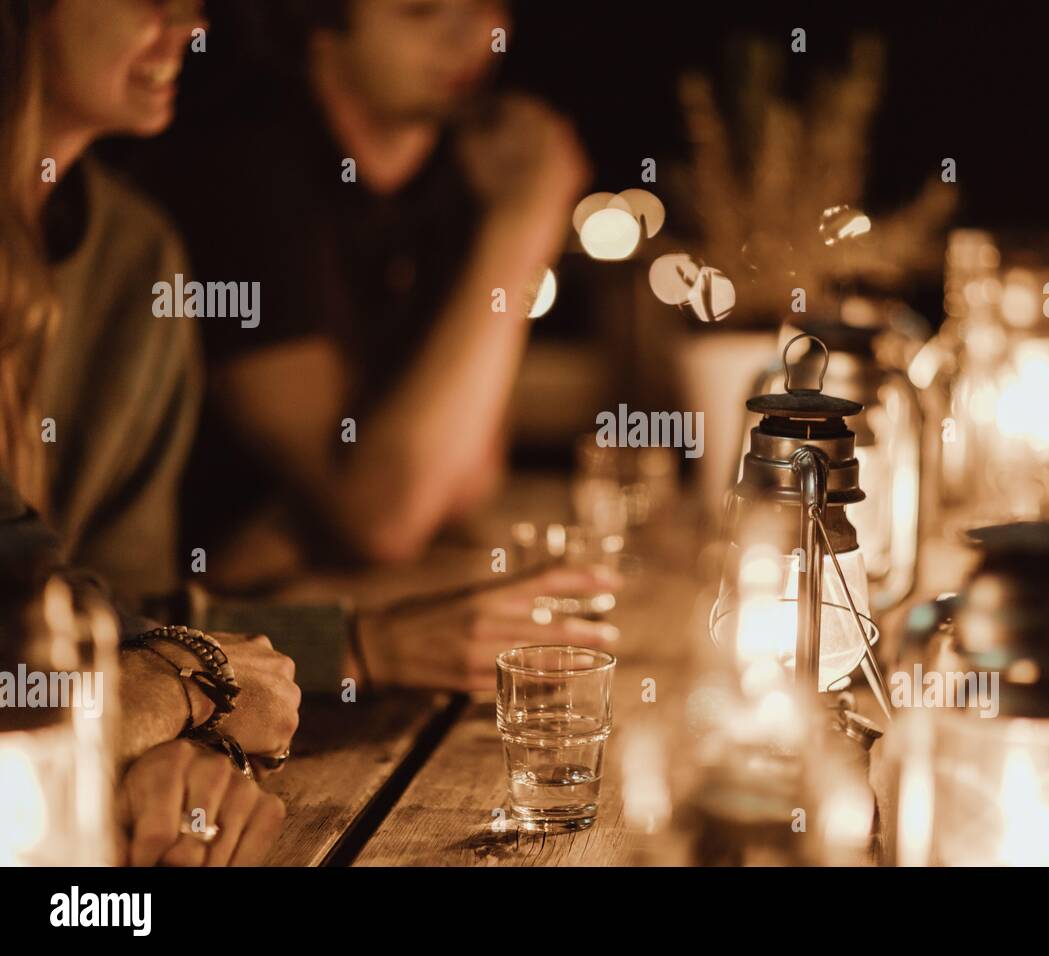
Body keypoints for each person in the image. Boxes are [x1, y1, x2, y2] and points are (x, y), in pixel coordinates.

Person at [122, 0, 619, 692]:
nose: (469, 37)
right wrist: (525, 219)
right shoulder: (244, 173)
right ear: (319, 23)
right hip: (206, 668)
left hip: (330, 621)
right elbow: (384, 518)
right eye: (420, 11)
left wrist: (330, 512)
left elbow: (466, 481)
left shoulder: (448, 178)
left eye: (483, 6)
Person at [0, 0, 296, 863]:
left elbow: (126, 612)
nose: (188, 27)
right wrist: (182, 685)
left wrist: (167, 749)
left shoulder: (136, 252)